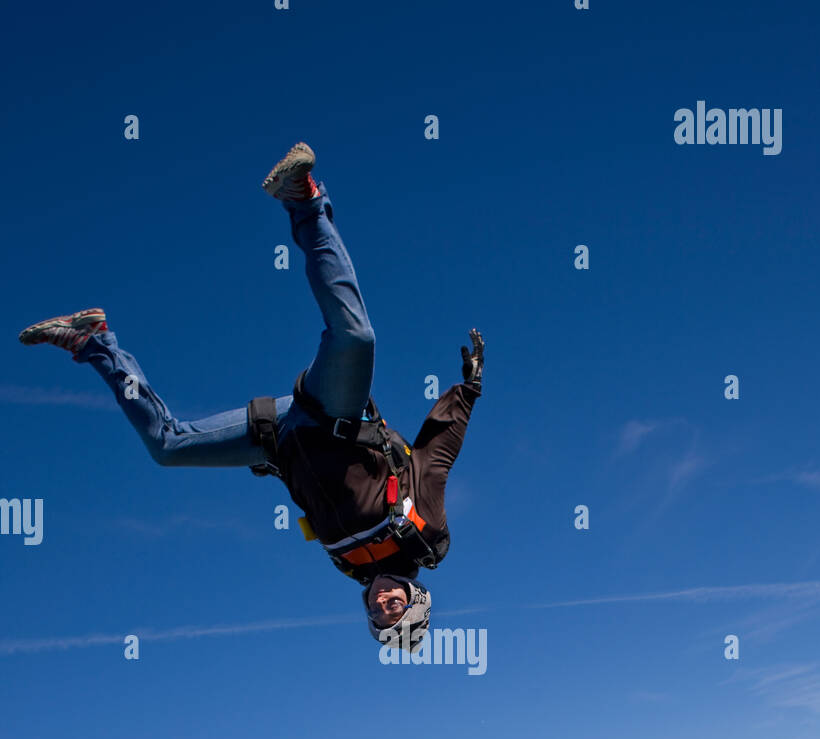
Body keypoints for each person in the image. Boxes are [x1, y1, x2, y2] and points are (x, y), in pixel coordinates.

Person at [18, 142, 484, 651]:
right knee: (356, 338)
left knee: (166, 447)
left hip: (276, 440)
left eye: (378, 616)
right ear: (417, 598)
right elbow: (436, 458)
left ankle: (93, 341)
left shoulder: (350, 567)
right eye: (396, 609)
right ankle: (305, 201)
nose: (382, 604)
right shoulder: (425, 533)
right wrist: (467, 391)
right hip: (336, 416)